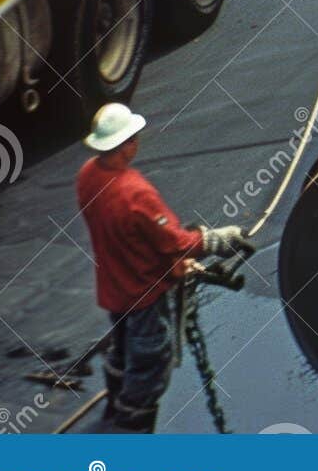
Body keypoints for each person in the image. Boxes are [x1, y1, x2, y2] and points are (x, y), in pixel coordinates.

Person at [76, 103, 244, 431]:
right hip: (143, 295)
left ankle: (115, 401)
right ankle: (130, 427)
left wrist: (171, 261)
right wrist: (215, 240)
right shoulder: (135, 193)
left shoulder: (88, 176)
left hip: (114, 288)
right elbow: (174, 242)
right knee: (149, 361)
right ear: (126, 144)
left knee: (122, 350)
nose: (137, 143)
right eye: (133, 138)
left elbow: (134, 238)